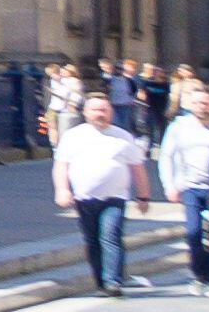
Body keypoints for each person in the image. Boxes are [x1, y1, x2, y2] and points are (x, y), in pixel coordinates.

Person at [68, 93, 156, 298]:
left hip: (115, 198)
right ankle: (100, 281)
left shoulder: (123, 137)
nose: (100, 114)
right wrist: (63, 189)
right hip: (84, 198)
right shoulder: (73, 136)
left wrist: (143, 196)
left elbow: (138, 169)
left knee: (110, 236)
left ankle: (113, 282)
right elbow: (61, 166)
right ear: (86, 112)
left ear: (111, 112)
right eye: (96, 110)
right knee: (92, 241)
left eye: (104, 110)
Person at [171, 84, 209, 293]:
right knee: (193, 232)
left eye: (205, 103)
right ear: (189, 105)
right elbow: (168, 156)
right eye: (196, 103)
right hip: (191, 187)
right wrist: (171, 184)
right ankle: (199, 275)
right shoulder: (179, 126)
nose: (200, 107)